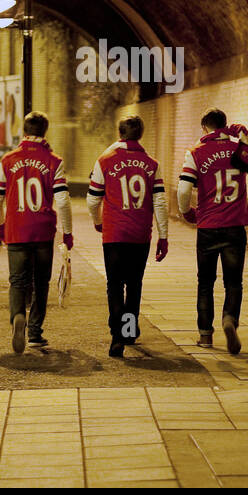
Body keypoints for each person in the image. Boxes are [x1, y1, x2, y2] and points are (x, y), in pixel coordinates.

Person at [0, 111, 73, 353]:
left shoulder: (7, 160)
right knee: (41, 282)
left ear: (24, 131)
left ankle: (18, 317)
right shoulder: (54, 161)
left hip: (16, 230)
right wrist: (67, 233)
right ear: (45, 131)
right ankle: (35, 333)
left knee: (17, 281)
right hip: (43, 232)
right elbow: (64, 201)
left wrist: (0, 225)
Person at [177, 108, 248, 354]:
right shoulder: (238, 150)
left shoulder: (196, 153)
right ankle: (229, 320)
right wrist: (243, 132)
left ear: (204, 127)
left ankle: (205, 336)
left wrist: (187, 213)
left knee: (205, 282)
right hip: (235, 226)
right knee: (234, 282)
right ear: (224, 126)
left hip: (208, 227)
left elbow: (183, 190)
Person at [88, 115, 169, 358]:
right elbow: (160, 201)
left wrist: (98, 222)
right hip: (139, 234)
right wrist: (163, 236)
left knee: (114, 284)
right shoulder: (152, 163)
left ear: (119, 133)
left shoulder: (104, 161)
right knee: (134, 284)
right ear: (141, 134)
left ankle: (117, 335)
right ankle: (129, 330)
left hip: (113, 233)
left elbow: (93, 199)